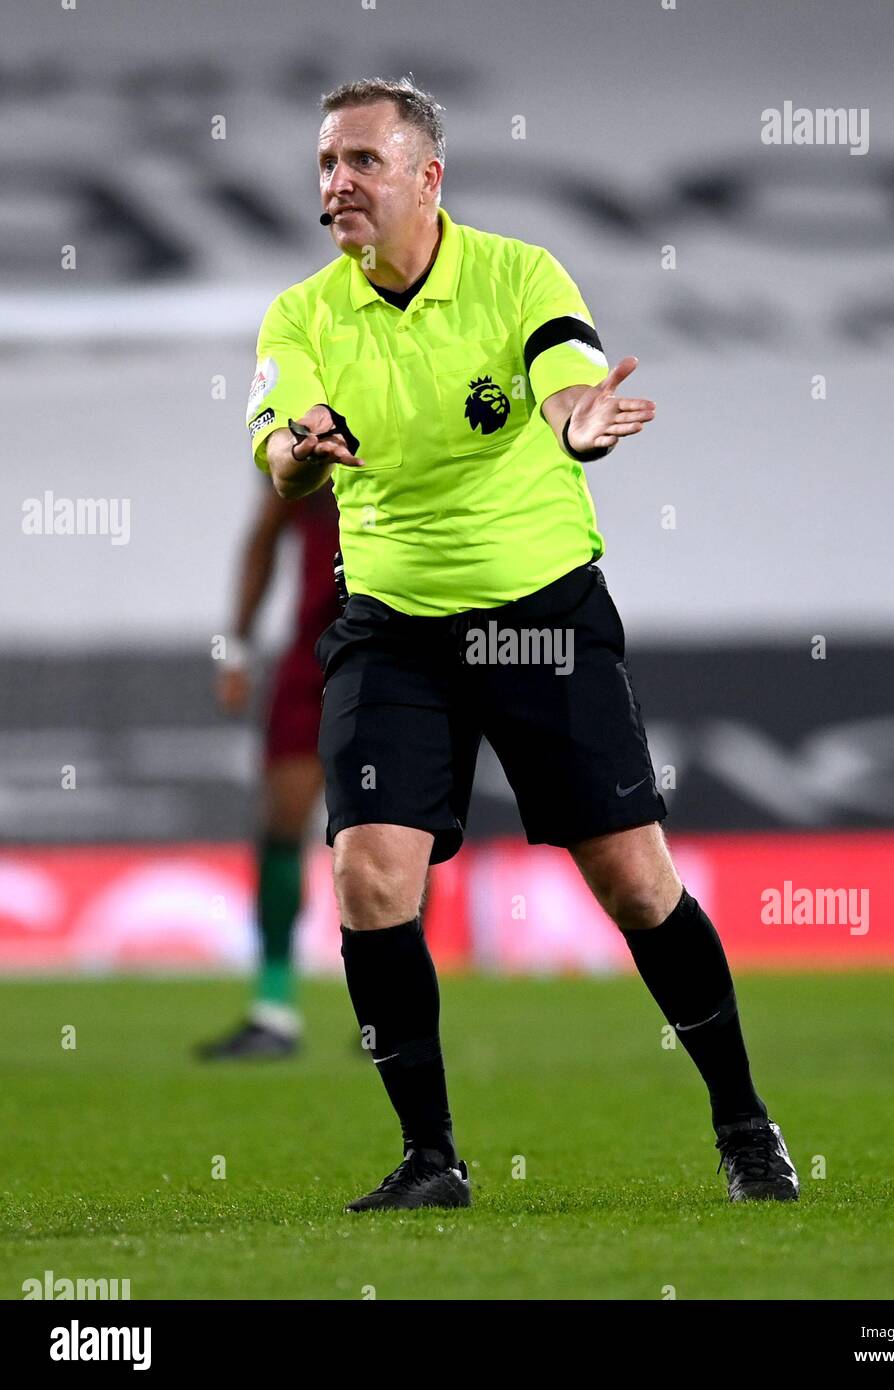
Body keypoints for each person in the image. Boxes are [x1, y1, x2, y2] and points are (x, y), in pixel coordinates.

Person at [245, 75, 799, 1207]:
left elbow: (564, 372)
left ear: (427, 177)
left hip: (538, 620)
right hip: (392, 630)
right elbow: (276, 451)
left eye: (361, 161)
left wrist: (578, 419)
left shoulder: (519, 273)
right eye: (324, 164)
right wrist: (300, 450)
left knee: (636, 885)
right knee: (367, 875)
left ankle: (744, 1124)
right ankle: (431, 1157)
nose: (337, 183)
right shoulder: (302, 315)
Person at [196, 485, 340, 1059]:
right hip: (316, 656)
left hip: (399, 652)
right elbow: (263, 538)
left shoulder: (420, 426)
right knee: (282, 824)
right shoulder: (313, 440)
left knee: (406, 829)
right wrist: (237, 648)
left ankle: (395, 1013)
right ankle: (274, 1010)